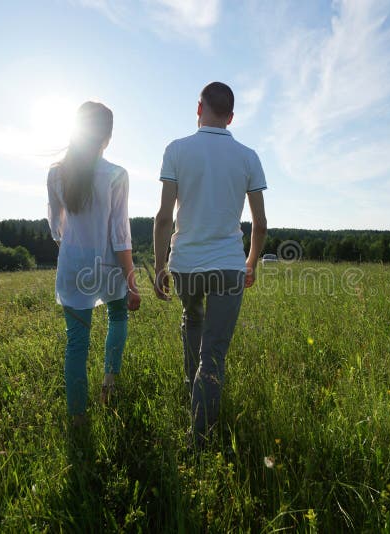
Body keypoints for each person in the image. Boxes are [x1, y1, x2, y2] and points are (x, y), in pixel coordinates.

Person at [153, 81, 268, 449]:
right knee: (213, 353)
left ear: (199, 109)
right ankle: (201, 439)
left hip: (185, 264)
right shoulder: (248, 156)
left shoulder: (176, 150)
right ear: (231, 117)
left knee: (192, 319)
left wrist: (159, 266)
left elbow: (163, 217)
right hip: (229, 266)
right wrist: (251, 262)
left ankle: (195, 399)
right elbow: (260, 223)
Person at [47, 101, 140, 425]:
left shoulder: (56, 173)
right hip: (110, 265)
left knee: (76, 342)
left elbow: (56, 228)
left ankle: (77, 418)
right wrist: (132, 282)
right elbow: (120, 235)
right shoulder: (116, 174)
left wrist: (75, 248)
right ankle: (108, 387)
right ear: (107, 137)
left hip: (74, 266)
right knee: (118, 317)